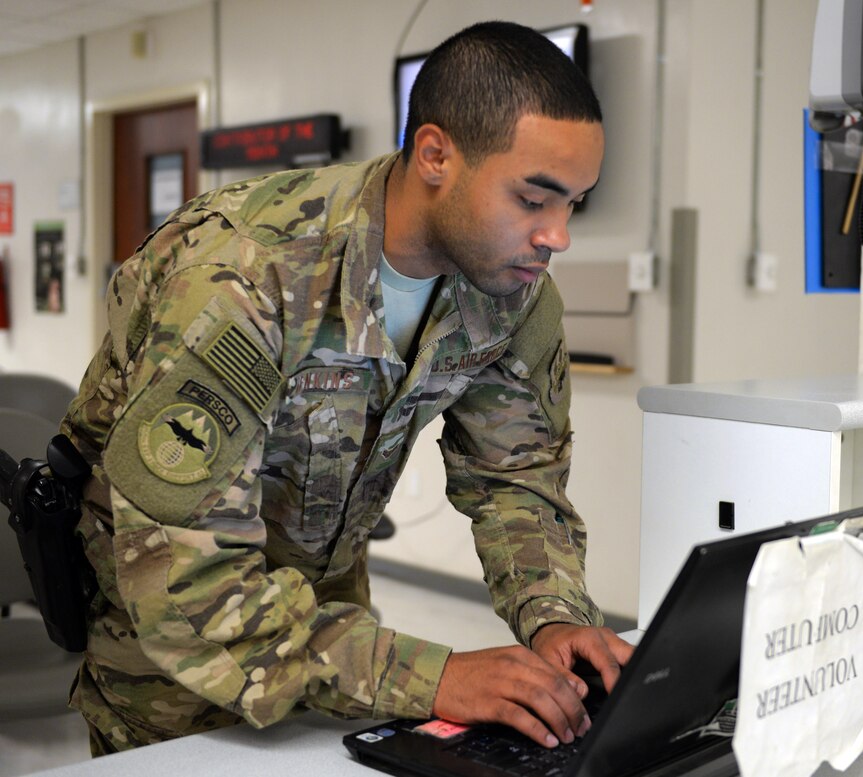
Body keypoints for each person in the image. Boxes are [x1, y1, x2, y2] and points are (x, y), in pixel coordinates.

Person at [60, 19, 633, 756]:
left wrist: (554, 618)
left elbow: (515, 482)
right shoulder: (245, 275)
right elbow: (182, 580)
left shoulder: (509, 292)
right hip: (167, 680)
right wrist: (432, 676)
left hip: (328, 654)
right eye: (533, 199)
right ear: (435, 155)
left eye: (574, 204)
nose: (558, 234)